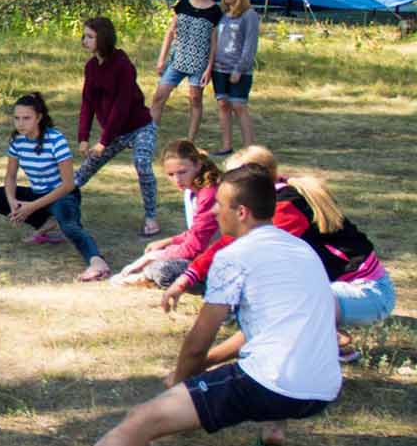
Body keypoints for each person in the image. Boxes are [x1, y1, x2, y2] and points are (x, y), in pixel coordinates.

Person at [0, 165, 342, 446]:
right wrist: (204, 370)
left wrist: (180, 385)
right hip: (324, 388)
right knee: (269, 359)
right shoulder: (301, 249)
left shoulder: (235, 257)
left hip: (274, 385)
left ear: (241, 212)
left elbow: (196, 343)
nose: (213, 211)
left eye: (219, 205)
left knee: (142, 419)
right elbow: (289, 326)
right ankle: (272, 436)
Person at [168, 147, 396, 366]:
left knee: (276, 305)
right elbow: (229, 244)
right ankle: (326, 336)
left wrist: (199, 361)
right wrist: (190, 276)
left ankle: (326, 339)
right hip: (349, 291)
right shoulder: (274, 198)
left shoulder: (285, 208)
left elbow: (239, 251)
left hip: (368, 294)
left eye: (235, 178)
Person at [0, 94, 110, 281]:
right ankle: (48, 222)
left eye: (26, 118)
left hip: (62, 194)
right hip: (37, 193)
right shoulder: (17, 141)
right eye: (17, 118)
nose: (21, 123)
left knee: (70, 227)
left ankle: (96, 261)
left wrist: (31, 207)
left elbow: (68, 184)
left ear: (38, 117)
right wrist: (12, 201)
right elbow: (10, 176)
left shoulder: (55, 139)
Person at [74, 16, 159, 237]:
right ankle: (56, 211)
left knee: (142, 164)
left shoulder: (122, 65)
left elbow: (121, 107)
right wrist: (83, 137)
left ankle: (151, 217)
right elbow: (87, 104)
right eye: (84, 36)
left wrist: (103, 141)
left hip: (140, 126)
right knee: (81, 174)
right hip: (114, 133)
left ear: (103, 38)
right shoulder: (91, 67)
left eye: (90, 37)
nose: (85, 40)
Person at [114, 141, 221, 289]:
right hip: (211, 255)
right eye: (171, 174)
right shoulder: (192, 191)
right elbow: (199, 231)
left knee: (163, 269)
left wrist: (155, 256)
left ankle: (144, 277)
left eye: (182, 172)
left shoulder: (208, 194)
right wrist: (169, 241)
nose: (177, 179)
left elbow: (195, 247)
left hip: (221, 262)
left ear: (198, 165)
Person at [150, 0, 221, 144]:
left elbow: (214, 42)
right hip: (177, 59)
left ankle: (190, 140)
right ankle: (149, 135)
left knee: (195, 99)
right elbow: (170, 32)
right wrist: (161, 59)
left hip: (199, 62)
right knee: (159, 96)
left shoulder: (215, 11)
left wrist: (209, 68)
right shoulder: (182, 4)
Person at [212, 0, 260, 156]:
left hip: (238, 68)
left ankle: (250, 149)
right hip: (219, 67)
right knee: (223, 104)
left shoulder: (249, 15)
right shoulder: (222, 14)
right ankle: (226, 145)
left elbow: (250, 45)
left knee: (239, 106)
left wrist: (239, 69)